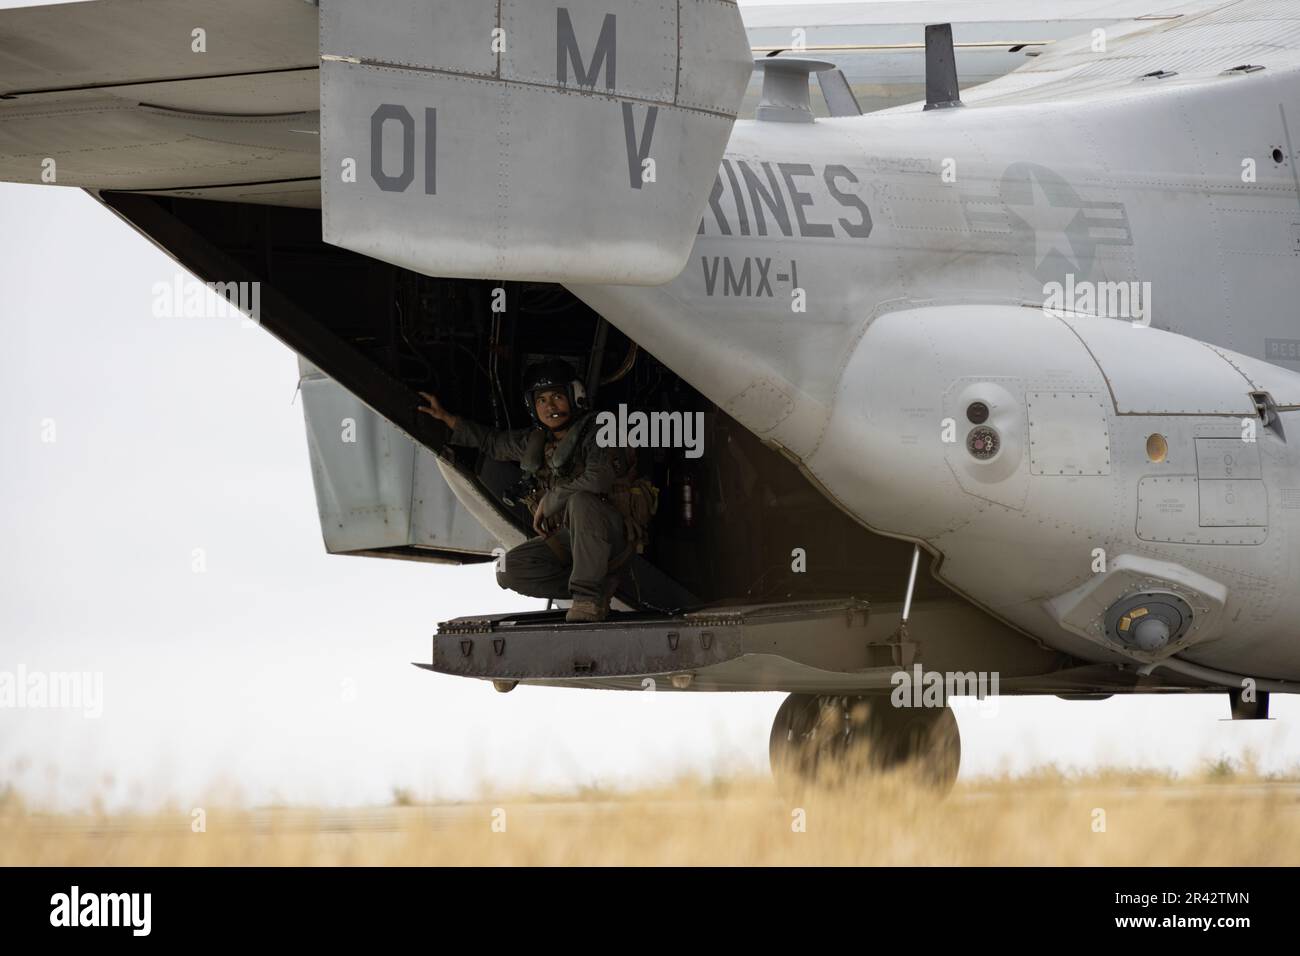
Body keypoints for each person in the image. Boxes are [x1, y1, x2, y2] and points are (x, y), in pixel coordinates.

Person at [417, 360, 631, 623]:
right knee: (510, 570)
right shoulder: (536, 443)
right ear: (533, 406)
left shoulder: (600, 430)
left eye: (557, 396)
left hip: (610, 535)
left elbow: (598, 478)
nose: (550, 406)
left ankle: (587, 601)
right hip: (571, 541)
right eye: (541, 400)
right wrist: (448, 420)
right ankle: (598, 588)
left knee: (581, 502)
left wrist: (554, 499)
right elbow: (491, 443)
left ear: (575, 397)